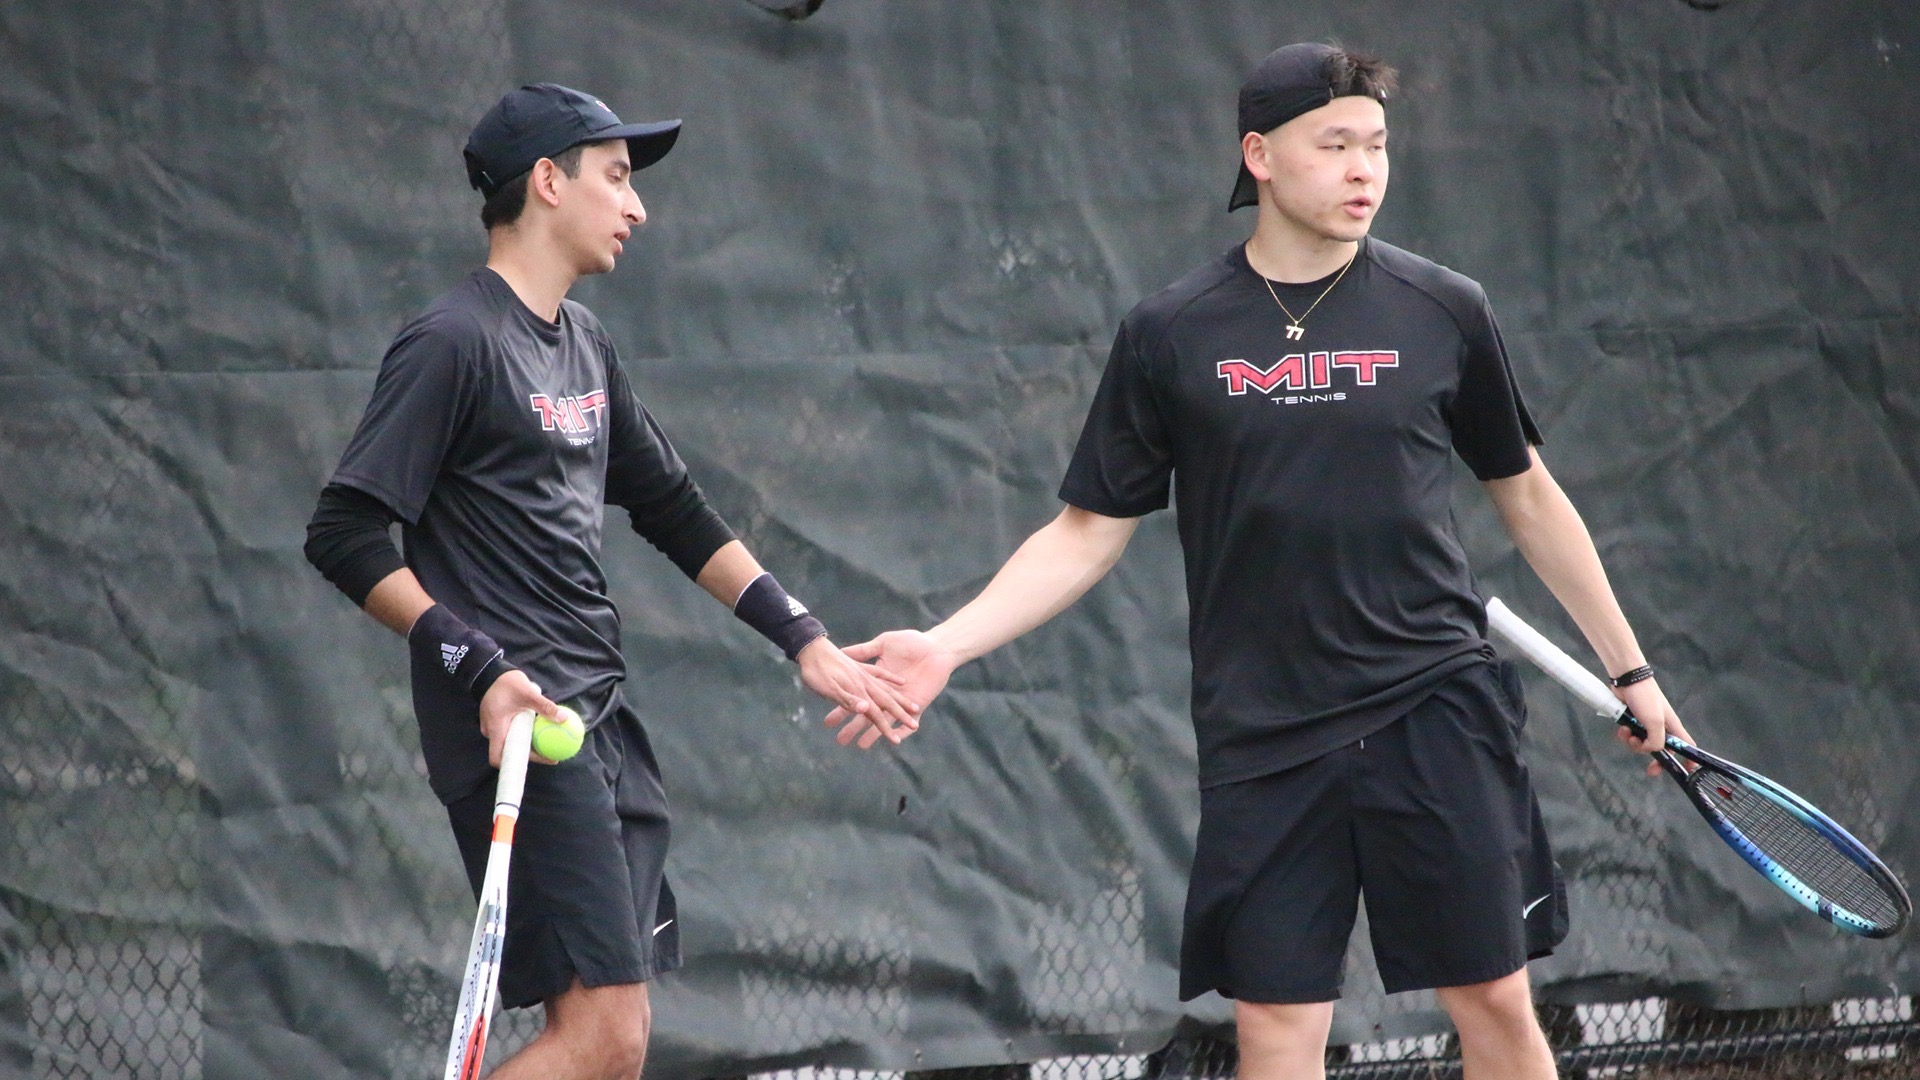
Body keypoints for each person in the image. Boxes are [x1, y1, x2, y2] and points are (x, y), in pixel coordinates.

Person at [827, 43, 1692, 1080]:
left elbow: (1531, 498)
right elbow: (1085, 532)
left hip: (1438, 709)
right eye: (1334, 145)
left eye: (1376, 145)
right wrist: (945, 647)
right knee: (1277, 1028)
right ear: (1261, 155)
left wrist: (1632, 674)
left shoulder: (1444, 308)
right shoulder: (1172, 332)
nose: (1364, 168)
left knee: (1495, 999)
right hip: (1266, 732)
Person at [303, 83, 918, 1080]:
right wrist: (482, 669)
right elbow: (343, 531)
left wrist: (804, 638)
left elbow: (673, 507)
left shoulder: (584, 344)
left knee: (610, 1043)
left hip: (602, 724)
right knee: (605, 1037)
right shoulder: (451, 342)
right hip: (519, 731)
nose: (638, 208)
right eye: (618, 178)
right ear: (548, 182)